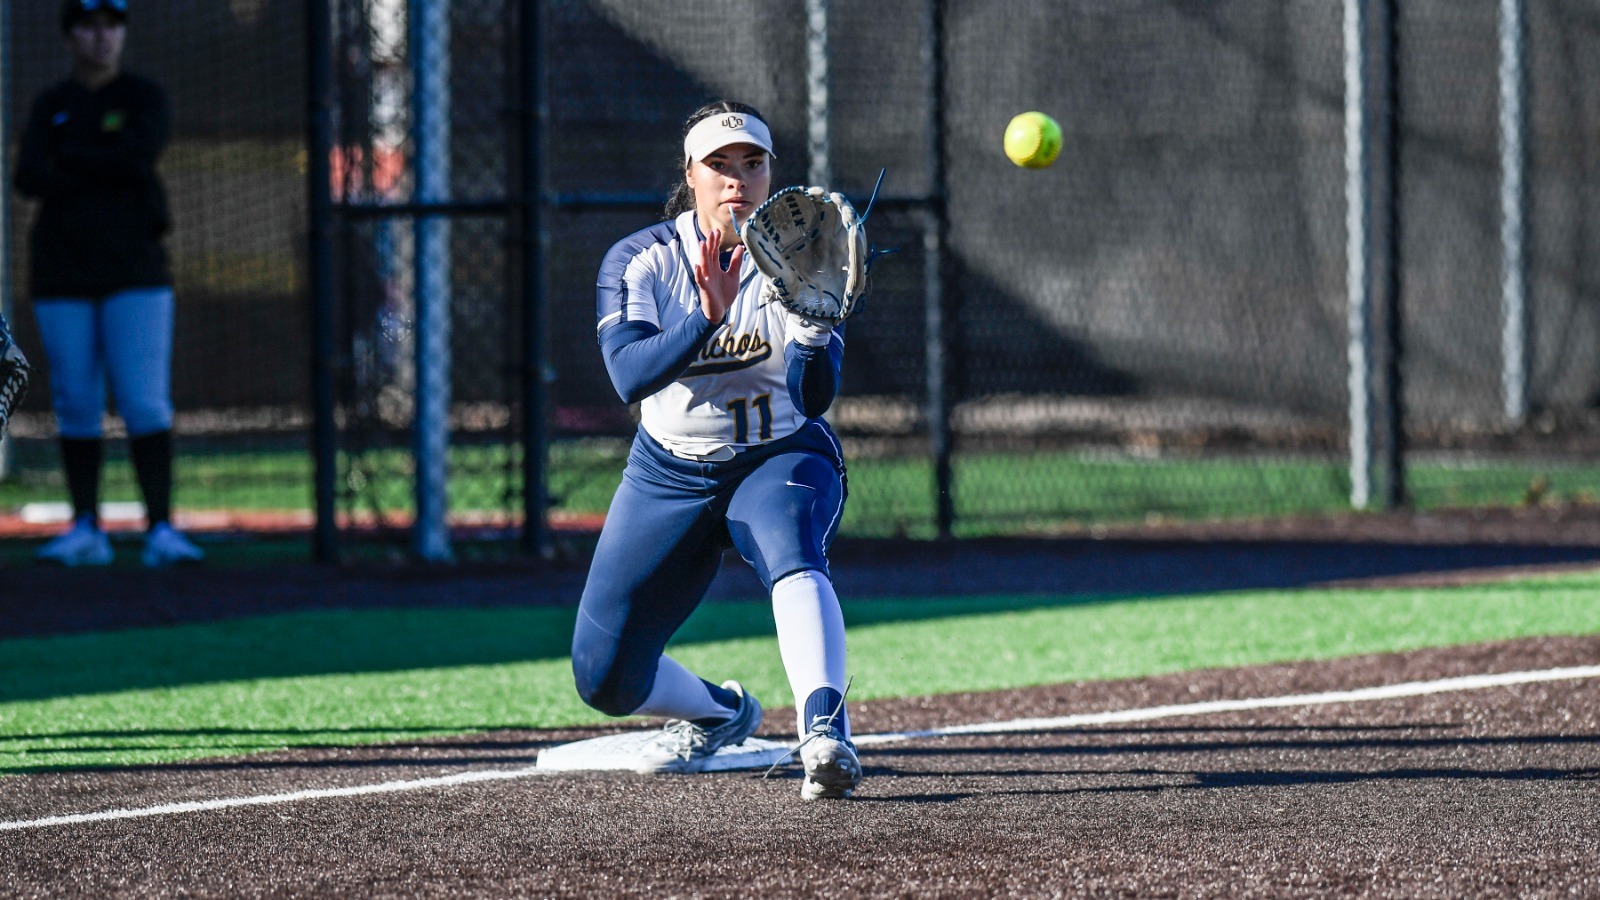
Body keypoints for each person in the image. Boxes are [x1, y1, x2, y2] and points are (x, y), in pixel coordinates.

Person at [571, 101, 862, 800]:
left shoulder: (801, 250)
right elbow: (629, 376)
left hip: (779, 455)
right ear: (691, 175)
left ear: (770, 174)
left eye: (752, 164)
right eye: (719, 166)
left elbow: (813, 397)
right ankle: (722, 712)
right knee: (604, 678)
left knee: (793, 546)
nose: (738, 180)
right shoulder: (642, 259)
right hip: (668, 472)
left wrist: (815, 333)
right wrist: (707, 312)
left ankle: (824, 732)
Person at [14, 0, 203, 568]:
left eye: (111, 27)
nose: (101, 39)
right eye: (89, 27)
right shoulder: (52, 104)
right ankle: (85, 528)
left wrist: (70, 161)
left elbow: (135, 157)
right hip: (62, 276)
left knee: (145, 402)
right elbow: (29, 175)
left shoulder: (143, 98)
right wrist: (97, 162)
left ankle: (161, 530)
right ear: (70, 37)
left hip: (135, 276)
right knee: (76, 400)